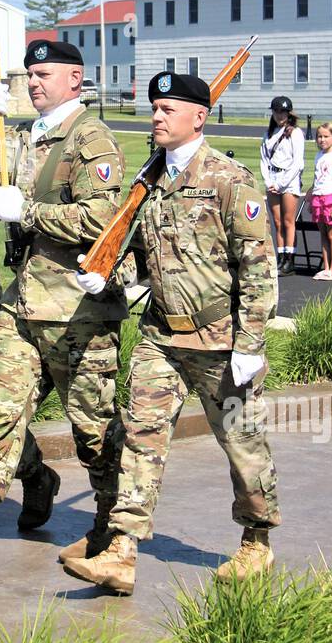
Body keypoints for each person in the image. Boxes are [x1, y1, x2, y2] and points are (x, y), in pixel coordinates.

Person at [63, 70, 280, 596]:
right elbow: (139, 256)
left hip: (218, 340)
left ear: (198, 117)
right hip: (161, 335)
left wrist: (250, 343)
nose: (156, 117)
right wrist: (105, 275)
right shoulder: (148, 182)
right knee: (139, 435)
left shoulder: (229, 178)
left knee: (241, 442)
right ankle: (122, 549)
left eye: (167, 109)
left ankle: (256, 539)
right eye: (154, 108)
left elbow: (257, 266)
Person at [0, 39, 129, 570]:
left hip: (77, 309)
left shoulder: (91, 139)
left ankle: (108, 527)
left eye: (44, 74)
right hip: (23, 303)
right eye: (29, 74)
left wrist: (27, 213)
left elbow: (101, 222)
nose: (33, 83)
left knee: (93, 428)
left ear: (74, 79)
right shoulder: (25, 136)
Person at [259, 96, 304, 274]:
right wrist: (269, 181)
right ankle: (280, 256)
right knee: (277, 222)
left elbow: (297, 162)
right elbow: (264, 159)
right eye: (277, 111)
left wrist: (281, 183)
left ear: (289, 113)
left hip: (288, 180)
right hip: (272, 178)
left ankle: (289, 258)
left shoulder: (295, 133)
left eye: (283, 112)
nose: (279, 115)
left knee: (288, 221)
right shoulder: (269, 134)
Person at [310, 123, 332, 281]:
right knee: (323, 234)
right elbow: (317, 178)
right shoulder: (319, 155)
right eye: (319, 136)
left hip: (331, 197)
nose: (322, 139)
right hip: (318, 196)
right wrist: (311, 196)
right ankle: (326, 267)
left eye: (326, 136)